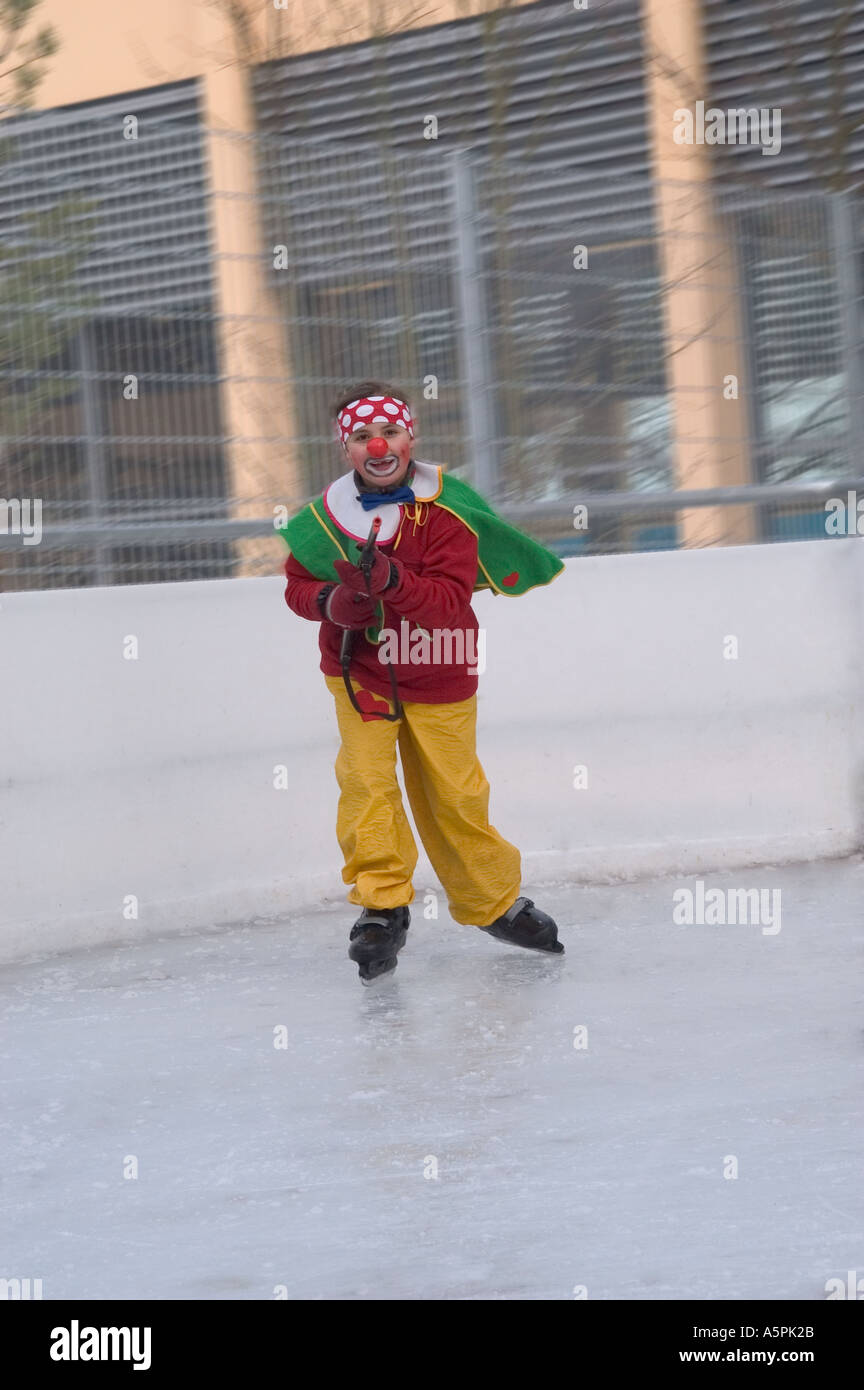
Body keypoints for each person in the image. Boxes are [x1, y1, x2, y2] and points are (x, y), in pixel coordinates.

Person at [281, 381, 566, 982]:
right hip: (360, 674)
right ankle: (382, 906)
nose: (377, 445)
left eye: (389, 432)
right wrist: (332, 601)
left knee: (454, 794)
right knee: (365, 784)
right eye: (362, 436)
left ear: (411, 438)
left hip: (439, 663)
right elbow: (296, 587)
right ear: (346, 449)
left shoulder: (447, 512)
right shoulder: (323, 518)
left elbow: (444, 604)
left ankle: (491, 900)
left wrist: (389, 582)